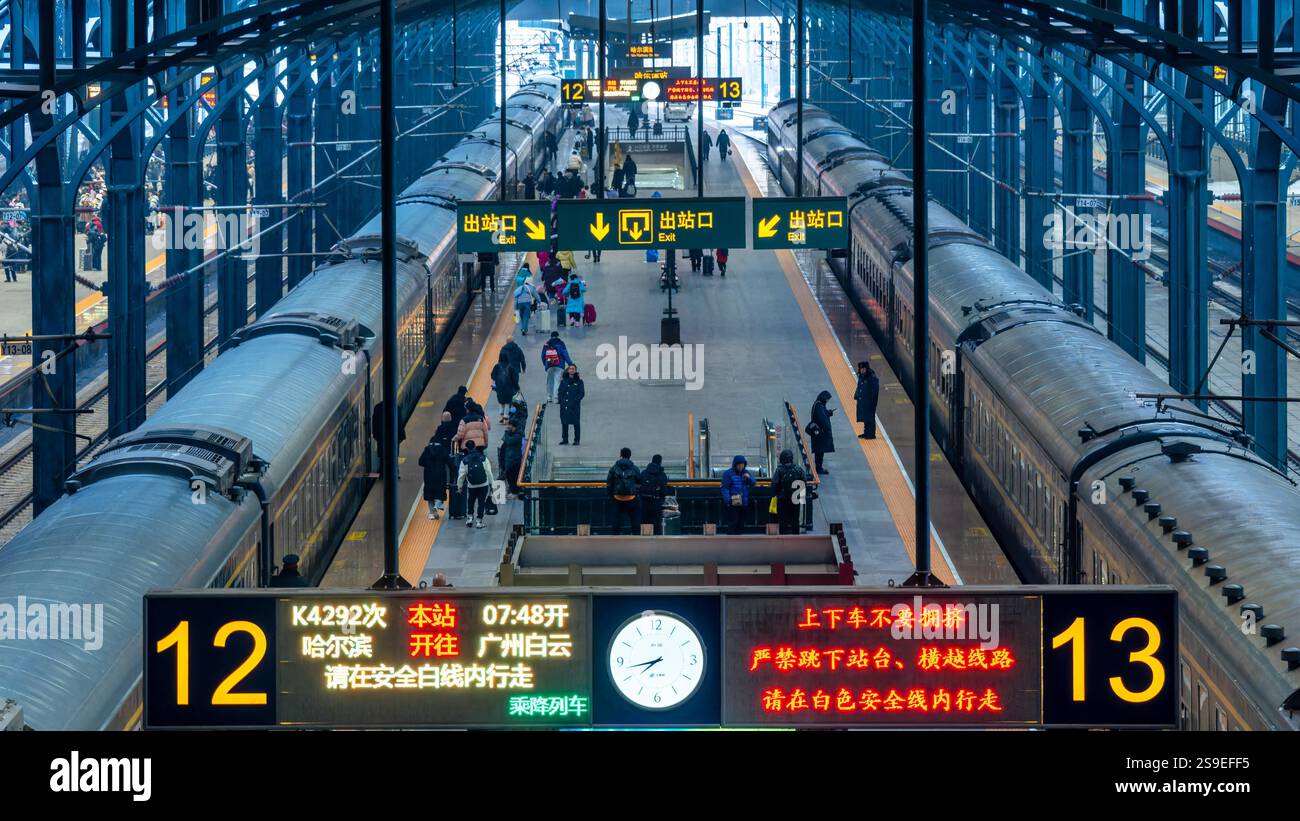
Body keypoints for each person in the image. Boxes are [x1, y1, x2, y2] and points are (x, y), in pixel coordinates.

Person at [419, 416, 455, 520]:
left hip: (429, 474)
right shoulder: (442, 450)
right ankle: (437, 506)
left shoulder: (427, 450)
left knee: (430, 495)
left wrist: (427, 464)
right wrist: (453, 473)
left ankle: (432, 513)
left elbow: (420, 461)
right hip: (440, 474)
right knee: (440, 493)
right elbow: (450, 463)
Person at [457, 440, 495, 528]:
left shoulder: (465, 460)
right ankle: (479, 521)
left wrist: (459, 487)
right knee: (481, 502)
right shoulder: (483, 458)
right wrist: (491, 483)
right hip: (483, 484)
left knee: (470, 501)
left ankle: (470, 518)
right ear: (475, 446)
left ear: (466, 448)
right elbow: (489, 472)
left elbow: (461, 475)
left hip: (471, 485)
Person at [606, 447, 641, 535]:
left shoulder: (614, 468)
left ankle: (615, 537)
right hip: (631, 497)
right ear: (630, 456)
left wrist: (611, 495)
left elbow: (609, 483)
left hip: (617, 497)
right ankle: (636, 535)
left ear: (620, 455)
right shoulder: (634, 468)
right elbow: (639, 481)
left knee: (616, 519)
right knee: (635, 518)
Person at [771, 449, 806, 535]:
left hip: (783, 497)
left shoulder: (779, 470)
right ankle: (796, 537)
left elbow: (775, 483)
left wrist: (774, 494)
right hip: (795, 497)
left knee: (782, 519)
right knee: (795, 519)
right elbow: (804, 481)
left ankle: (783, 538)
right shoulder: (799, 469)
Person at [720, 455, 755, 535]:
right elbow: (725, 487)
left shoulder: (746, 473)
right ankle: (731, 543)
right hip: (733, 502)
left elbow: (753, 483)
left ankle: (740, 544)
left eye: (742, 464)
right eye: (739, 464)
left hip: (744, 502)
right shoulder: (728, 473)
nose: (741, 466)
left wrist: (749, 478)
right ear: (735, 464)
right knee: (732, 523)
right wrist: (728, 501)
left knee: (741, 524)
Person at [371, 399, 407, 477]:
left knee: (383, 458)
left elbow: (374, 424)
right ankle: (394, 473)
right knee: (393, 457)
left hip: (382, 439)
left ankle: (383, 473)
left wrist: (376, 436)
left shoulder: (377, 408)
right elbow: (399, 424)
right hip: (393, 439)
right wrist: (402, 436)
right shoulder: (396, 408)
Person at [639, 454, 672, 533]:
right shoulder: (662, 474)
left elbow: (639, 484)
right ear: (660, 462)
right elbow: (663, 490)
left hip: (644, 500)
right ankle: (655, 538)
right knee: (656, 521)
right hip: (656, 501)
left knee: (644, 520)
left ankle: (644, 536)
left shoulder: (644, 472)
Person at [541, 331, 574, 402]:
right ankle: (556, 398)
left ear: (551, 336)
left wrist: (545, 364)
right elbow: (565, 354)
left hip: (549, 366)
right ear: (558, 336)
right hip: (559, 365)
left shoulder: (546, 344)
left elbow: (543, 355)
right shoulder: (561, 343)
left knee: (550, 381)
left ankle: (549, 397)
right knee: (557, 381)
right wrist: (570, 364)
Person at [808, 390, 836, 474]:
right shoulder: (819, 407)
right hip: (820, 434)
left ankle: (819, 467)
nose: (827, 401)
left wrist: (828, 413)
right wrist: (827, 430)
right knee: (819, 451)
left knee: (819, 451)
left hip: (818, 433)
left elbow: (822, 415)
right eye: (827, 399)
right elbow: (822, 420)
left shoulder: (818, 405)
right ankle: (818, 468)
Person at [557, 364, 584, 445]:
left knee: (576, 423)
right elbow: (560, 392)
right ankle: (565, 439)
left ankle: (577, 440)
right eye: (570, 369)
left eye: (573, 369)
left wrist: (575, 401)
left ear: (575, 370)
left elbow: (581, 393)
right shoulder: (563, 381)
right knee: (564, 422)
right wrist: (561, 401)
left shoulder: (579, 381)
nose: (571, 370)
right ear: (568, 370)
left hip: (574, 406)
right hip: (564, 405)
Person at [490, 351, 521, 421]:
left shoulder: (497, 366)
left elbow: (492, 376)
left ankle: (501, 415)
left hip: (499, 388)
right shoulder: (510, 367)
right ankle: (506, 416)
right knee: (507, 402)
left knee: (501, 402)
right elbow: (514, 379)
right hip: (508, 388)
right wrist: (517, 387)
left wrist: (497, 380)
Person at [854, 361, 881, 439]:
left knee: (870, 418)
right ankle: (866, 433)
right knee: (865, 417)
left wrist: (872, 402)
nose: (862, 370)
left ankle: (871, 434)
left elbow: (875, 391)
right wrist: (857, 395)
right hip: (863, 400)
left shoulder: (872, 377)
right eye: (861, 369)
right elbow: (859, 386)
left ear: (867, 369)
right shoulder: (862, 376)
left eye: (863, 369)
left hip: (870, 402)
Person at [498, 420, 525, 497]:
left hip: (514, 459)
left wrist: (506, 434)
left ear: (513, 426)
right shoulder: (511, 433)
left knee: (513, 476)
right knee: (510, 476)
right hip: (508, 457)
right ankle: (513, 491)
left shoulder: (519, 434)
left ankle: (515, 492)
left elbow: (509, 441)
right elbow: (504, 439)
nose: (507, 427)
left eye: (509, 425)